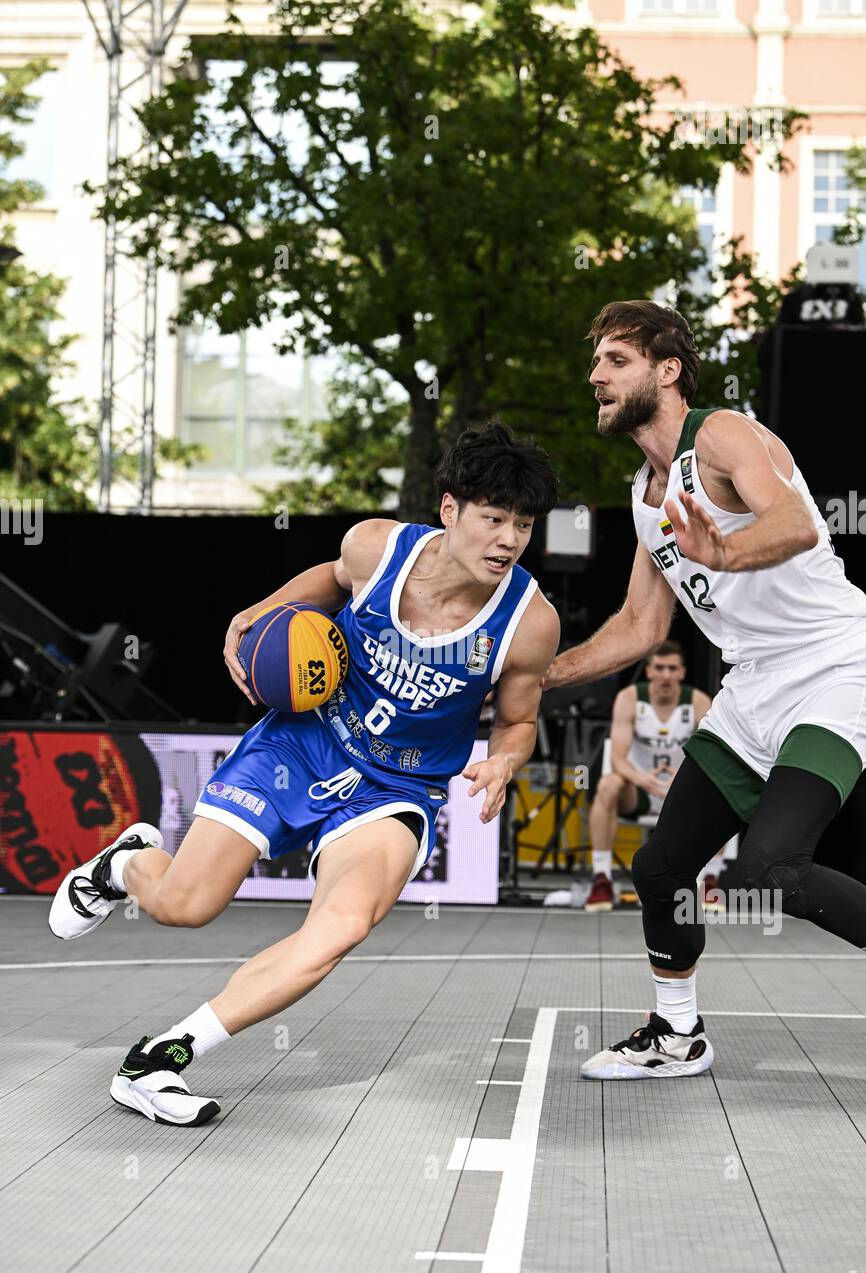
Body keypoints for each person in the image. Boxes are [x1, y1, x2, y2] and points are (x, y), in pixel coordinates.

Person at [49, 421, 560, 1124]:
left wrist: (503, 758)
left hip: (394, 789)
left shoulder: (528, 622)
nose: (508, 540)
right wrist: (264, 611)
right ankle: (126, 865)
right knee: (183, 906)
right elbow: (332, 578)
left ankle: (162, 1058)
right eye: (494, 519)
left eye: (523, 526)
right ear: (450, 510)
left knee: (342, 925)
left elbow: (518, 718)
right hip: (301, 742)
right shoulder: (376, 549)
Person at [544, 299, 866, 1080]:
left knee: (768, 870)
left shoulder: (721, 435)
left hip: (834, 666)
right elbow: (637, 628)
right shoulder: (644, 495)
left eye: (615, 360)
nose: (597, 376)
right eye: (597, 363)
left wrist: (722, 553)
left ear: (668, 370)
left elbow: (796, 523)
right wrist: (535, 675)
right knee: (659, 868)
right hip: (752, 687)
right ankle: (676, 1033)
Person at [543, 641, 717, 910]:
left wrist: (682, 781)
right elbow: (617, 759)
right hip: (641, 791)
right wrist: (645, 780)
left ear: (682, 673)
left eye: (672, 668)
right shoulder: (630, 699)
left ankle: (709, 881)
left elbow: (713, 757)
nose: (666, 675)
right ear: (649, 671)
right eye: (660, 668)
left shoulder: (697, 702)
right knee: (609, 783)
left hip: (682, 791)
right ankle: (602, 878)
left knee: (719, 787)